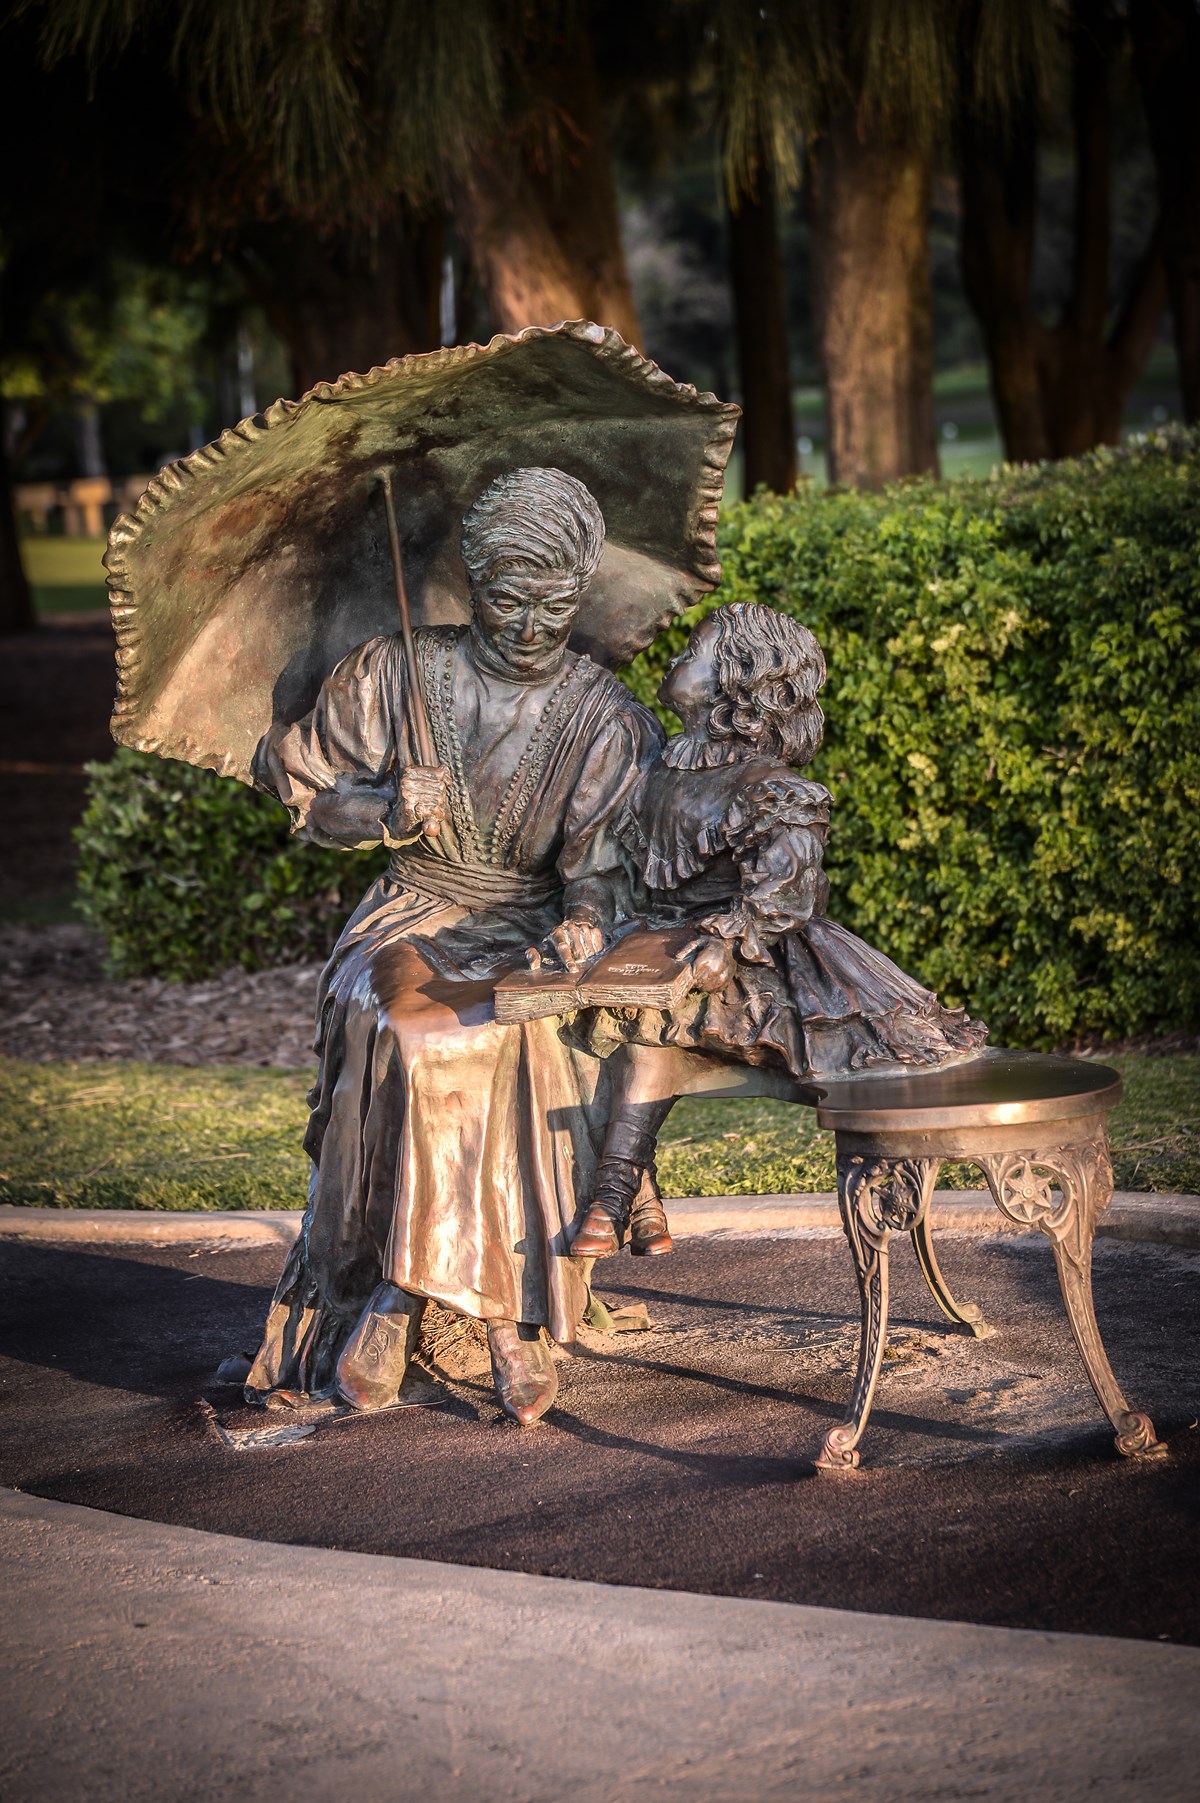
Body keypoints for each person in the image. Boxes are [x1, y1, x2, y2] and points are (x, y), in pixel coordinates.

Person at [244, 467, 661, 1424]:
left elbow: (600, 865)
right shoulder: (394, 671)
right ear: (473, 583)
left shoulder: (603, 718)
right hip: (412, 911)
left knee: (516, 1030)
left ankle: (434, 1305)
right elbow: (297, 780)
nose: (529, 624)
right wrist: (382, 809)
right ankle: (469, 1313)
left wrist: (588, 918)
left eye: (554, 603)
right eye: (508, 599)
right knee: (415, 1027)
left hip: (527, 925)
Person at [569, 601, 987, 1259]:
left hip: (757, 956)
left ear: (739, 687)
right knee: (619, 1038)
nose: (676, 658)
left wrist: (734, 936)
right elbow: (621, 865)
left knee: (647, 1041)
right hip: (662, 940)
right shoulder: (654, 771)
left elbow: (787, 887)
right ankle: (629, 1192)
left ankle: (617, 1192)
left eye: (694, 652)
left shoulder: (767, 786)